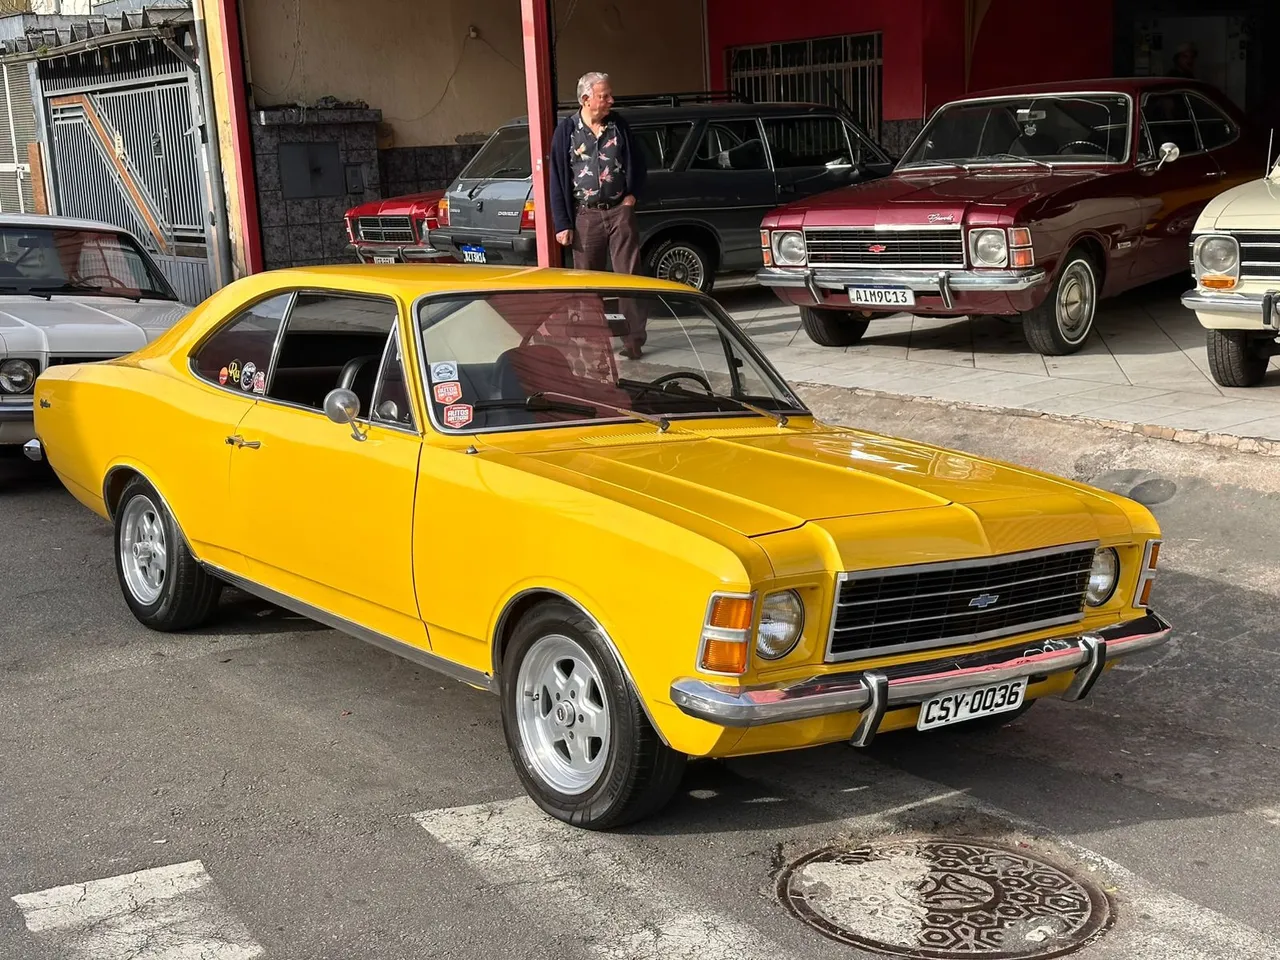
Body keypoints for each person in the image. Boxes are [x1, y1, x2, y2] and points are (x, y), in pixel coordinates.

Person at [550, 71, 649, 357]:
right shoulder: (566, 131)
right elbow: (557, 179)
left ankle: (633, 343)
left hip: (620, 211)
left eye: (609, 94)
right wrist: (562, 222)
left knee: (629, 278)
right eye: (604, 96)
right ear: (586, 99)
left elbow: (640, 165)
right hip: (585, 216)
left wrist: (632, 197)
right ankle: (593, 344)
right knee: (588, 283)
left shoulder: (619, 126)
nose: (610, 100)